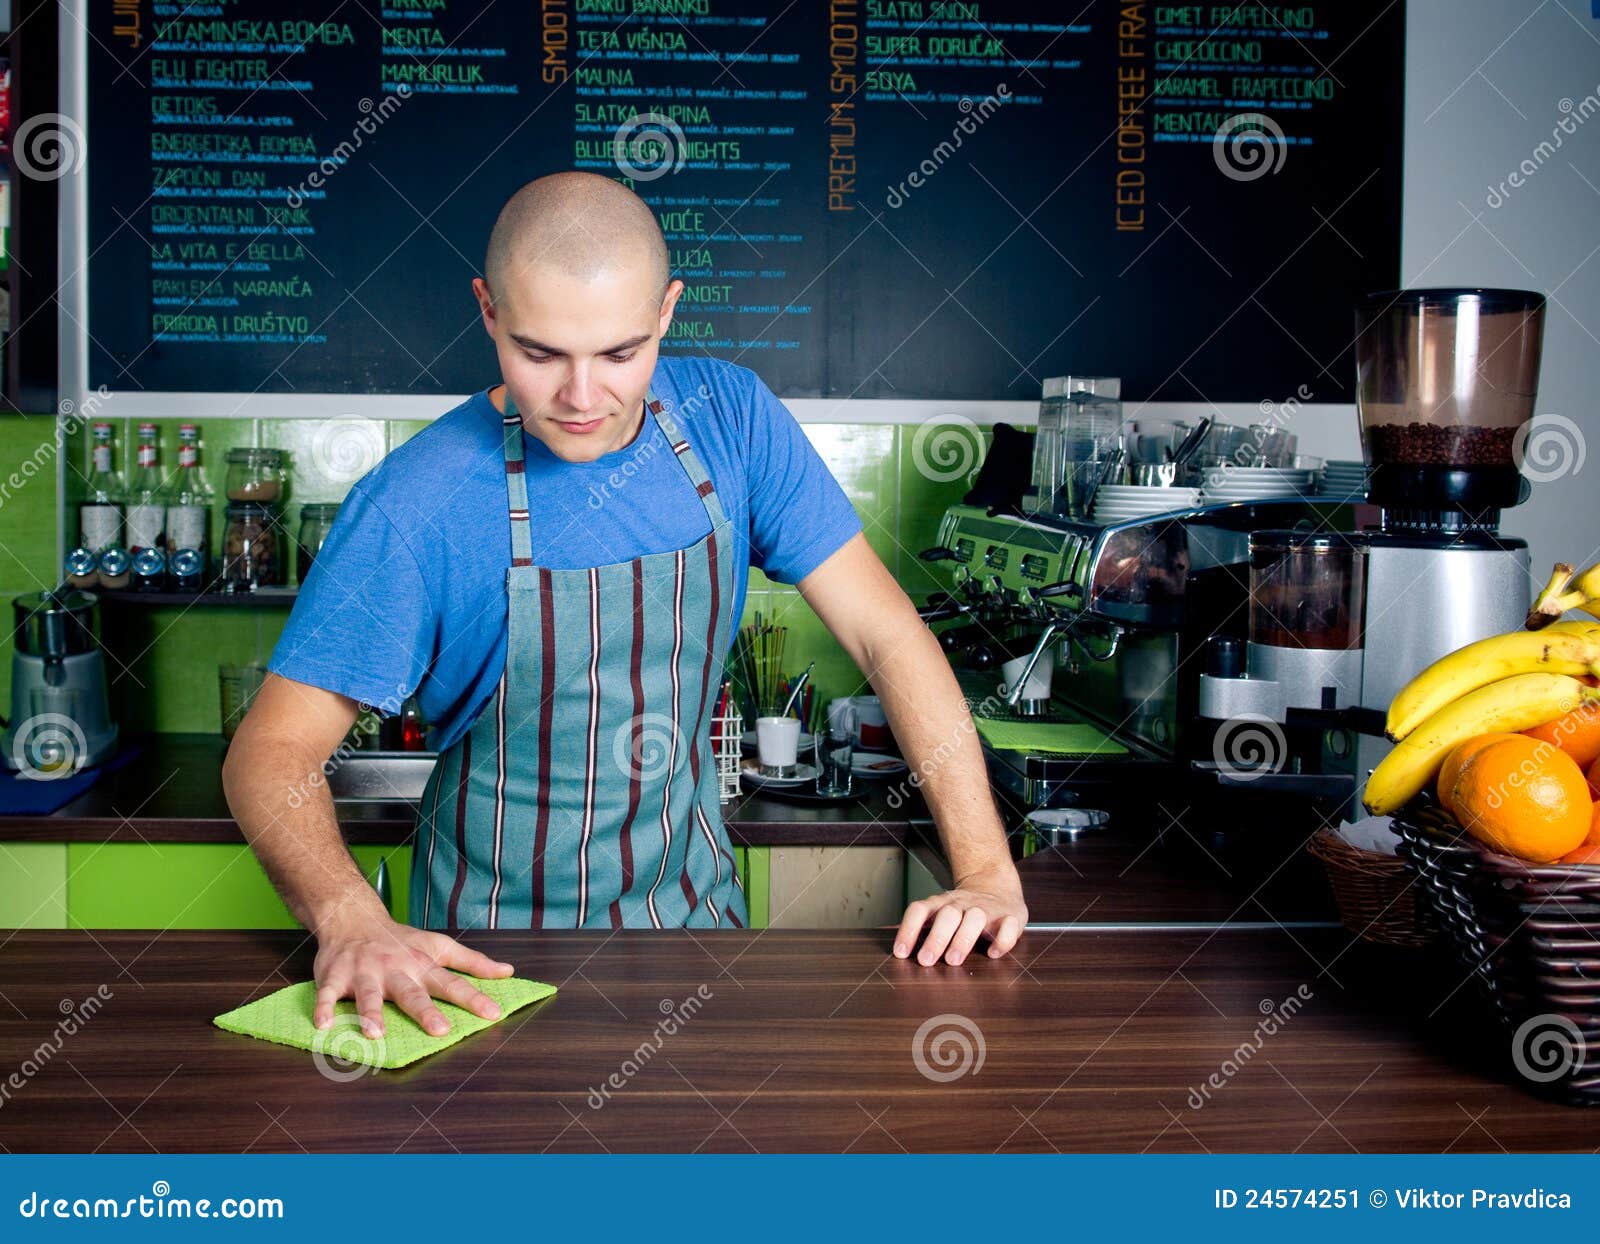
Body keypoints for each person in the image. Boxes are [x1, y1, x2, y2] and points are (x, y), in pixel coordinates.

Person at [223, 172, 1028, 1041]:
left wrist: (984, 868)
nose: (580, 397)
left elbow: (886, 635)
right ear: (487, 310)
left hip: (698, 943)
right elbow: (269, 754)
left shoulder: (731, 419)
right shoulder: (416, 504)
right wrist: (350, 918)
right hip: (479, 971)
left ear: (668, 312)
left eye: (620, 354)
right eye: (540, 354)